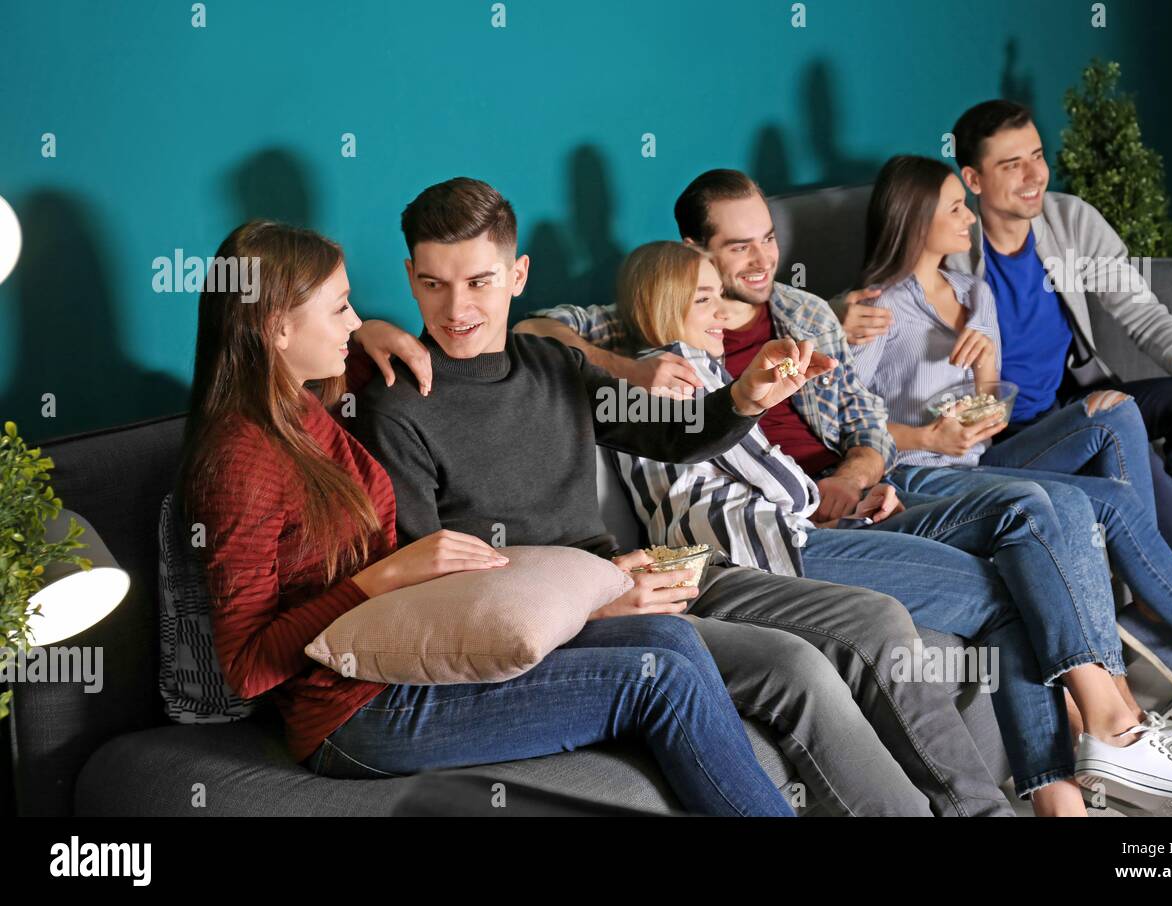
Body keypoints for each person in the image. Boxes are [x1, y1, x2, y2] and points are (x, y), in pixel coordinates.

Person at [350, 176, 1019, 817]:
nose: (457, 307)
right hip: (561, 614)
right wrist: (596, 593)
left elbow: (670, 435)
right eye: (434, 285)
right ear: (410, 277)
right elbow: (433, 576)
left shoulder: (553, 365)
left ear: (517, 275)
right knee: (795, 667)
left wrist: (745, 398)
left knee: (876, 619)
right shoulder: (397, 406)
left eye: (479, 281)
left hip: (646, 572)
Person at [606, 237, 1172, 816]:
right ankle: (1102, 740)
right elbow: (781, 485)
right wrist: (828, 489)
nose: (724, 312)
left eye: (721, 296)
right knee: (1012, 574)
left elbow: (778, 480)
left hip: (802, 531)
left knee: (1031, 520)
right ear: (662, 303)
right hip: (773, 556)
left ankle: (1086, 761)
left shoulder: (695, 371)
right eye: (705, 299)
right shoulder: (675, 373)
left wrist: (852, 495)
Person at [179, 219, 794, 817]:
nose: (357, 320)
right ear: (278, 327)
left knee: (672, 638)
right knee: (657, 677)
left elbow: (386, 349)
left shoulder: (311, 396)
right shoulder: (242, 460)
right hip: (352, 714)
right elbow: (246, 666)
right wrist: (383, 578)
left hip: (396, 656)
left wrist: (374, 334)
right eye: (342, 308)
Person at [837, 153, 1172, 725]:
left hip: (980, 461)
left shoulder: (970, 290)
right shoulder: (877, 308)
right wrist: (925, 433)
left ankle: (1166, 618)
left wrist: (985, 376)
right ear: (915, 221)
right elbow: (847, 422)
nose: (969, 219)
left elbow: (992, 414)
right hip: (916, 473)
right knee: (1112, 502)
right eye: (956, 207)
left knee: (1114, 414)